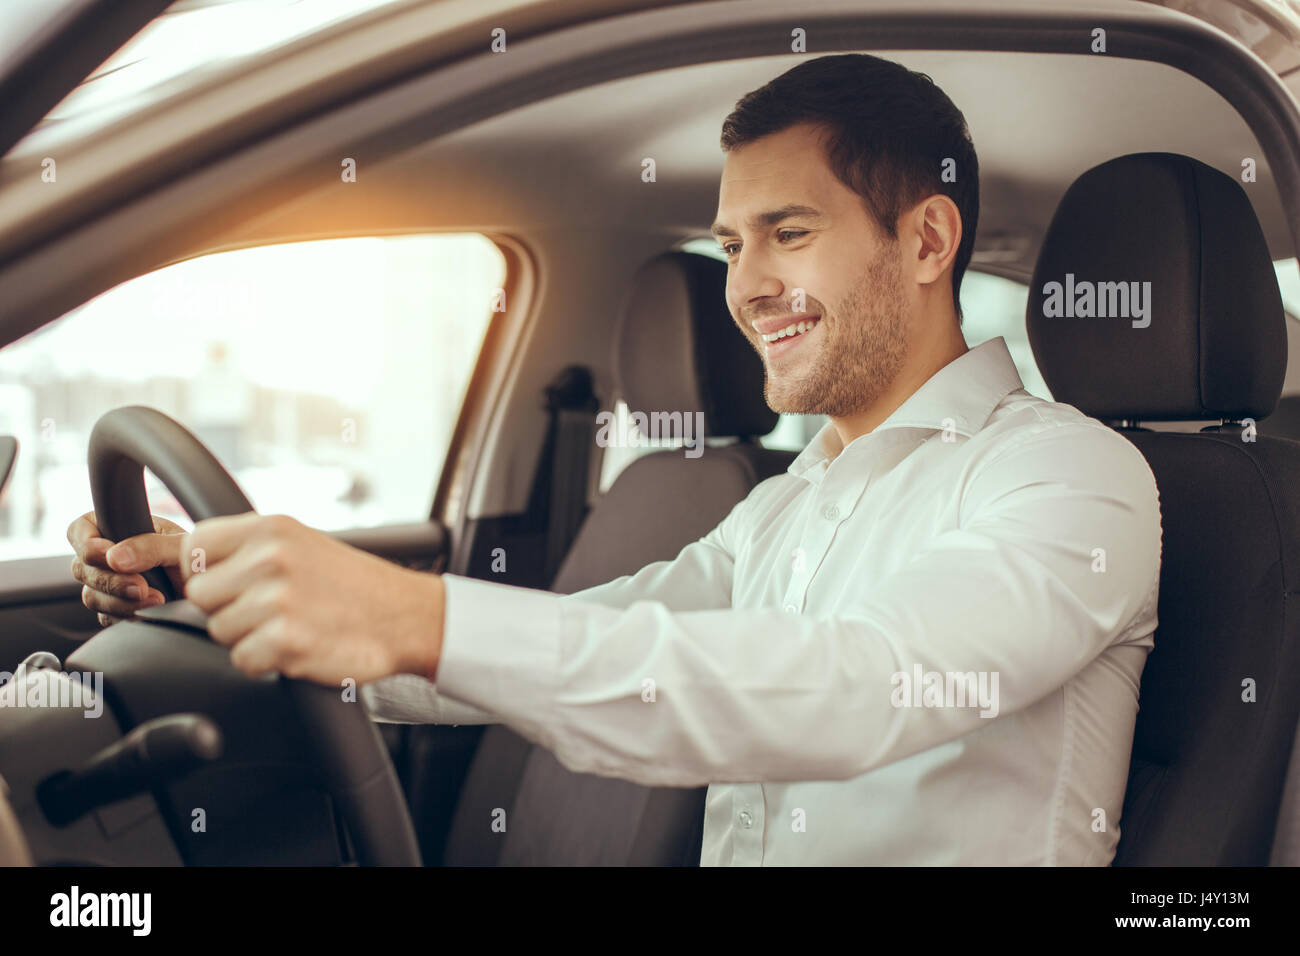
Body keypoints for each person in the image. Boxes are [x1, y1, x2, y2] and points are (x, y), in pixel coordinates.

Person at [68, 54, 1161, 865]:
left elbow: (857, 681)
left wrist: (410, 614)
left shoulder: (1072, 479)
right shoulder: (793, 502)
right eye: (731, 246)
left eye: (789, 233)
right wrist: (229, 600)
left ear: (925, 241)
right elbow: (609, 640)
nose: (744, 287)